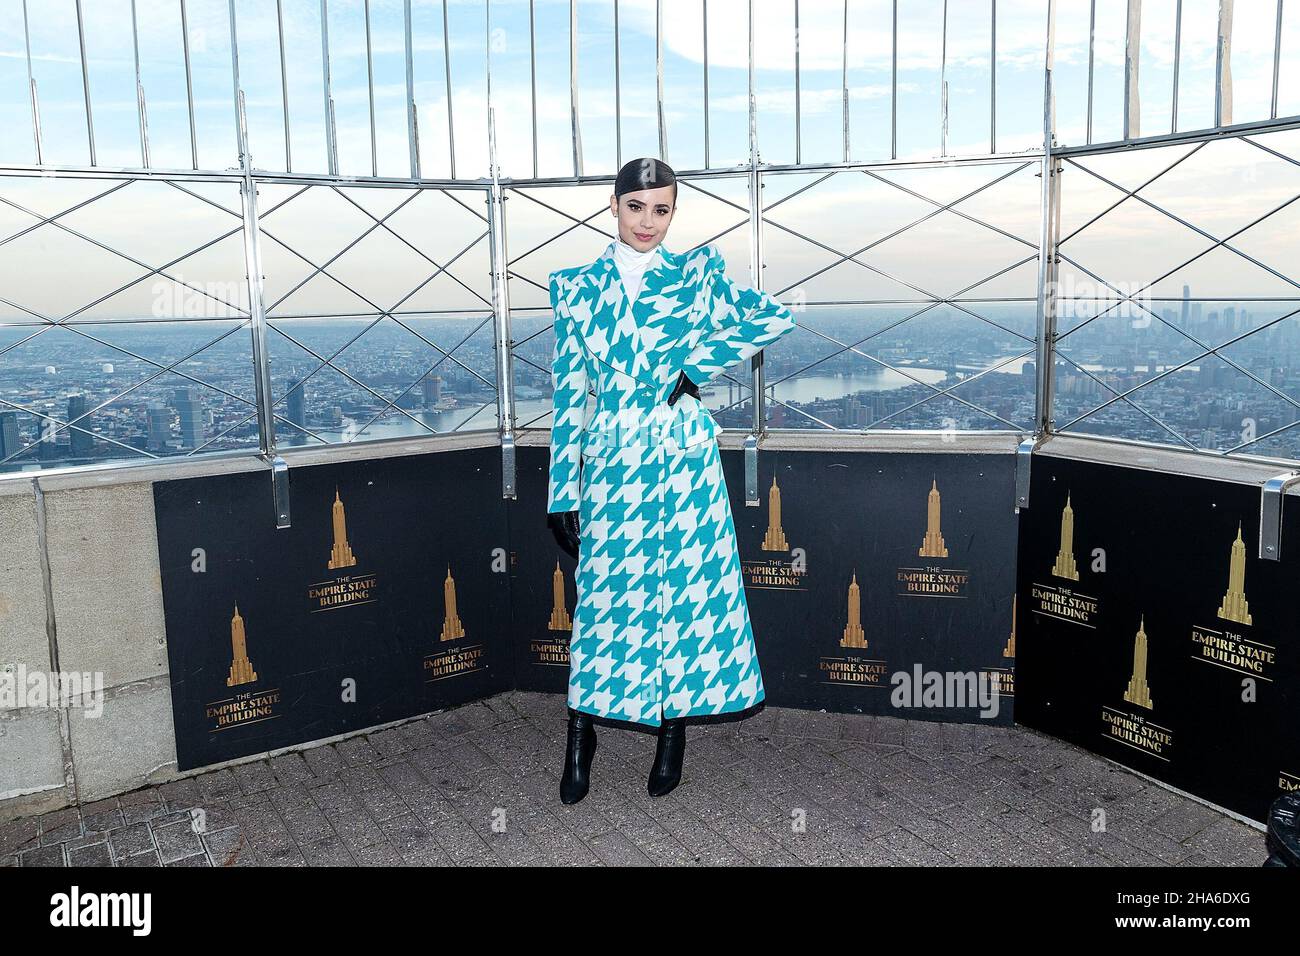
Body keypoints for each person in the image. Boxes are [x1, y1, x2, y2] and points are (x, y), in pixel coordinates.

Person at [545, 157, 796, 805]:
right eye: (636, 207)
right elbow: (571, 393)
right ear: (614, 204)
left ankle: (672, 734)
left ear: (673, 211)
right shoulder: (575, 287)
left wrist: (695, 365)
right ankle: (580, 734)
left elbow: (773, 316)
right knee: (601, 599)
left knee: (682, 600)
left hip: (683, 459)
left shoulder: (695, 276)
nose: (648, 222)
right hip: (613, 459)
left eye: (662, 209)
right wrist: (561, 489)